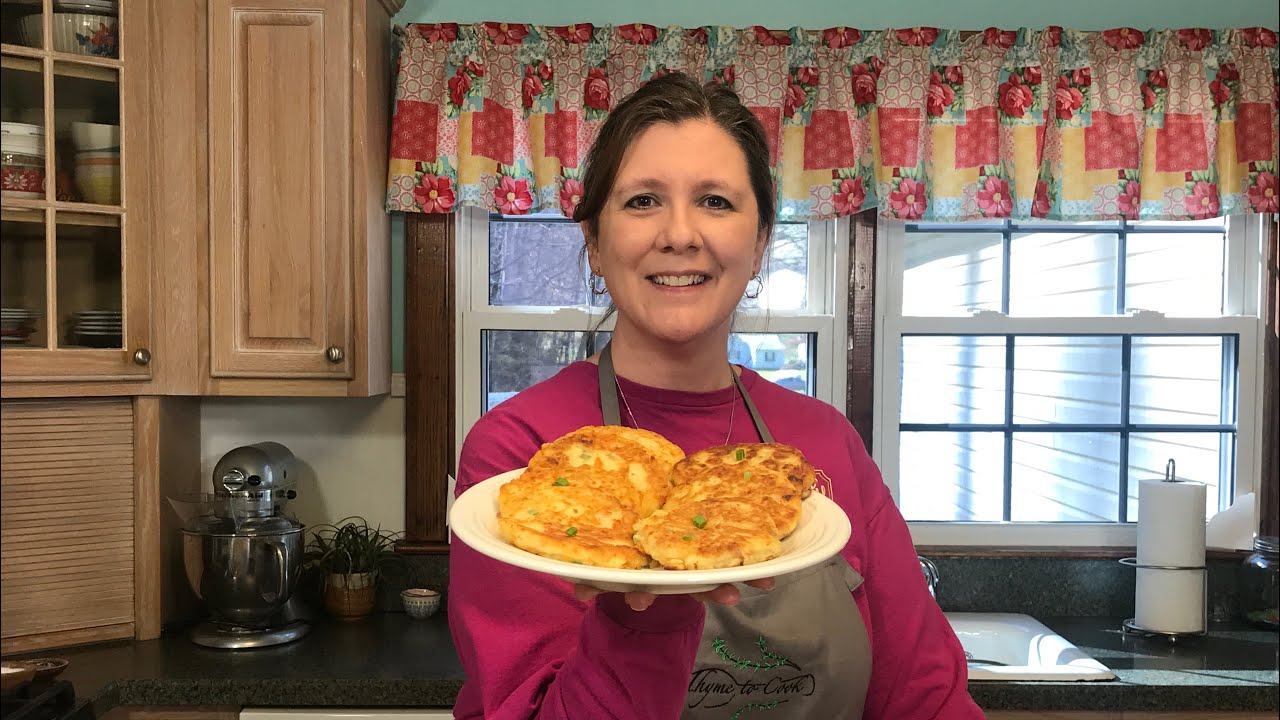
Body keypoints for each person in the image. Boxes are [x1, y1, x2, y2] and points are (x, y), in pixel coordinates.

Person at [448, 72, 982, 719]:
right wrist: (637, 609)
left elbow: (925, 695)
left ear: (759, 246)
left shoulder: (819, 444)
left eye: (716, 202)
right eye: (643, 200)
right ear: (594, 240)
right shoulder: (526, 456)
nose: (680, 233)